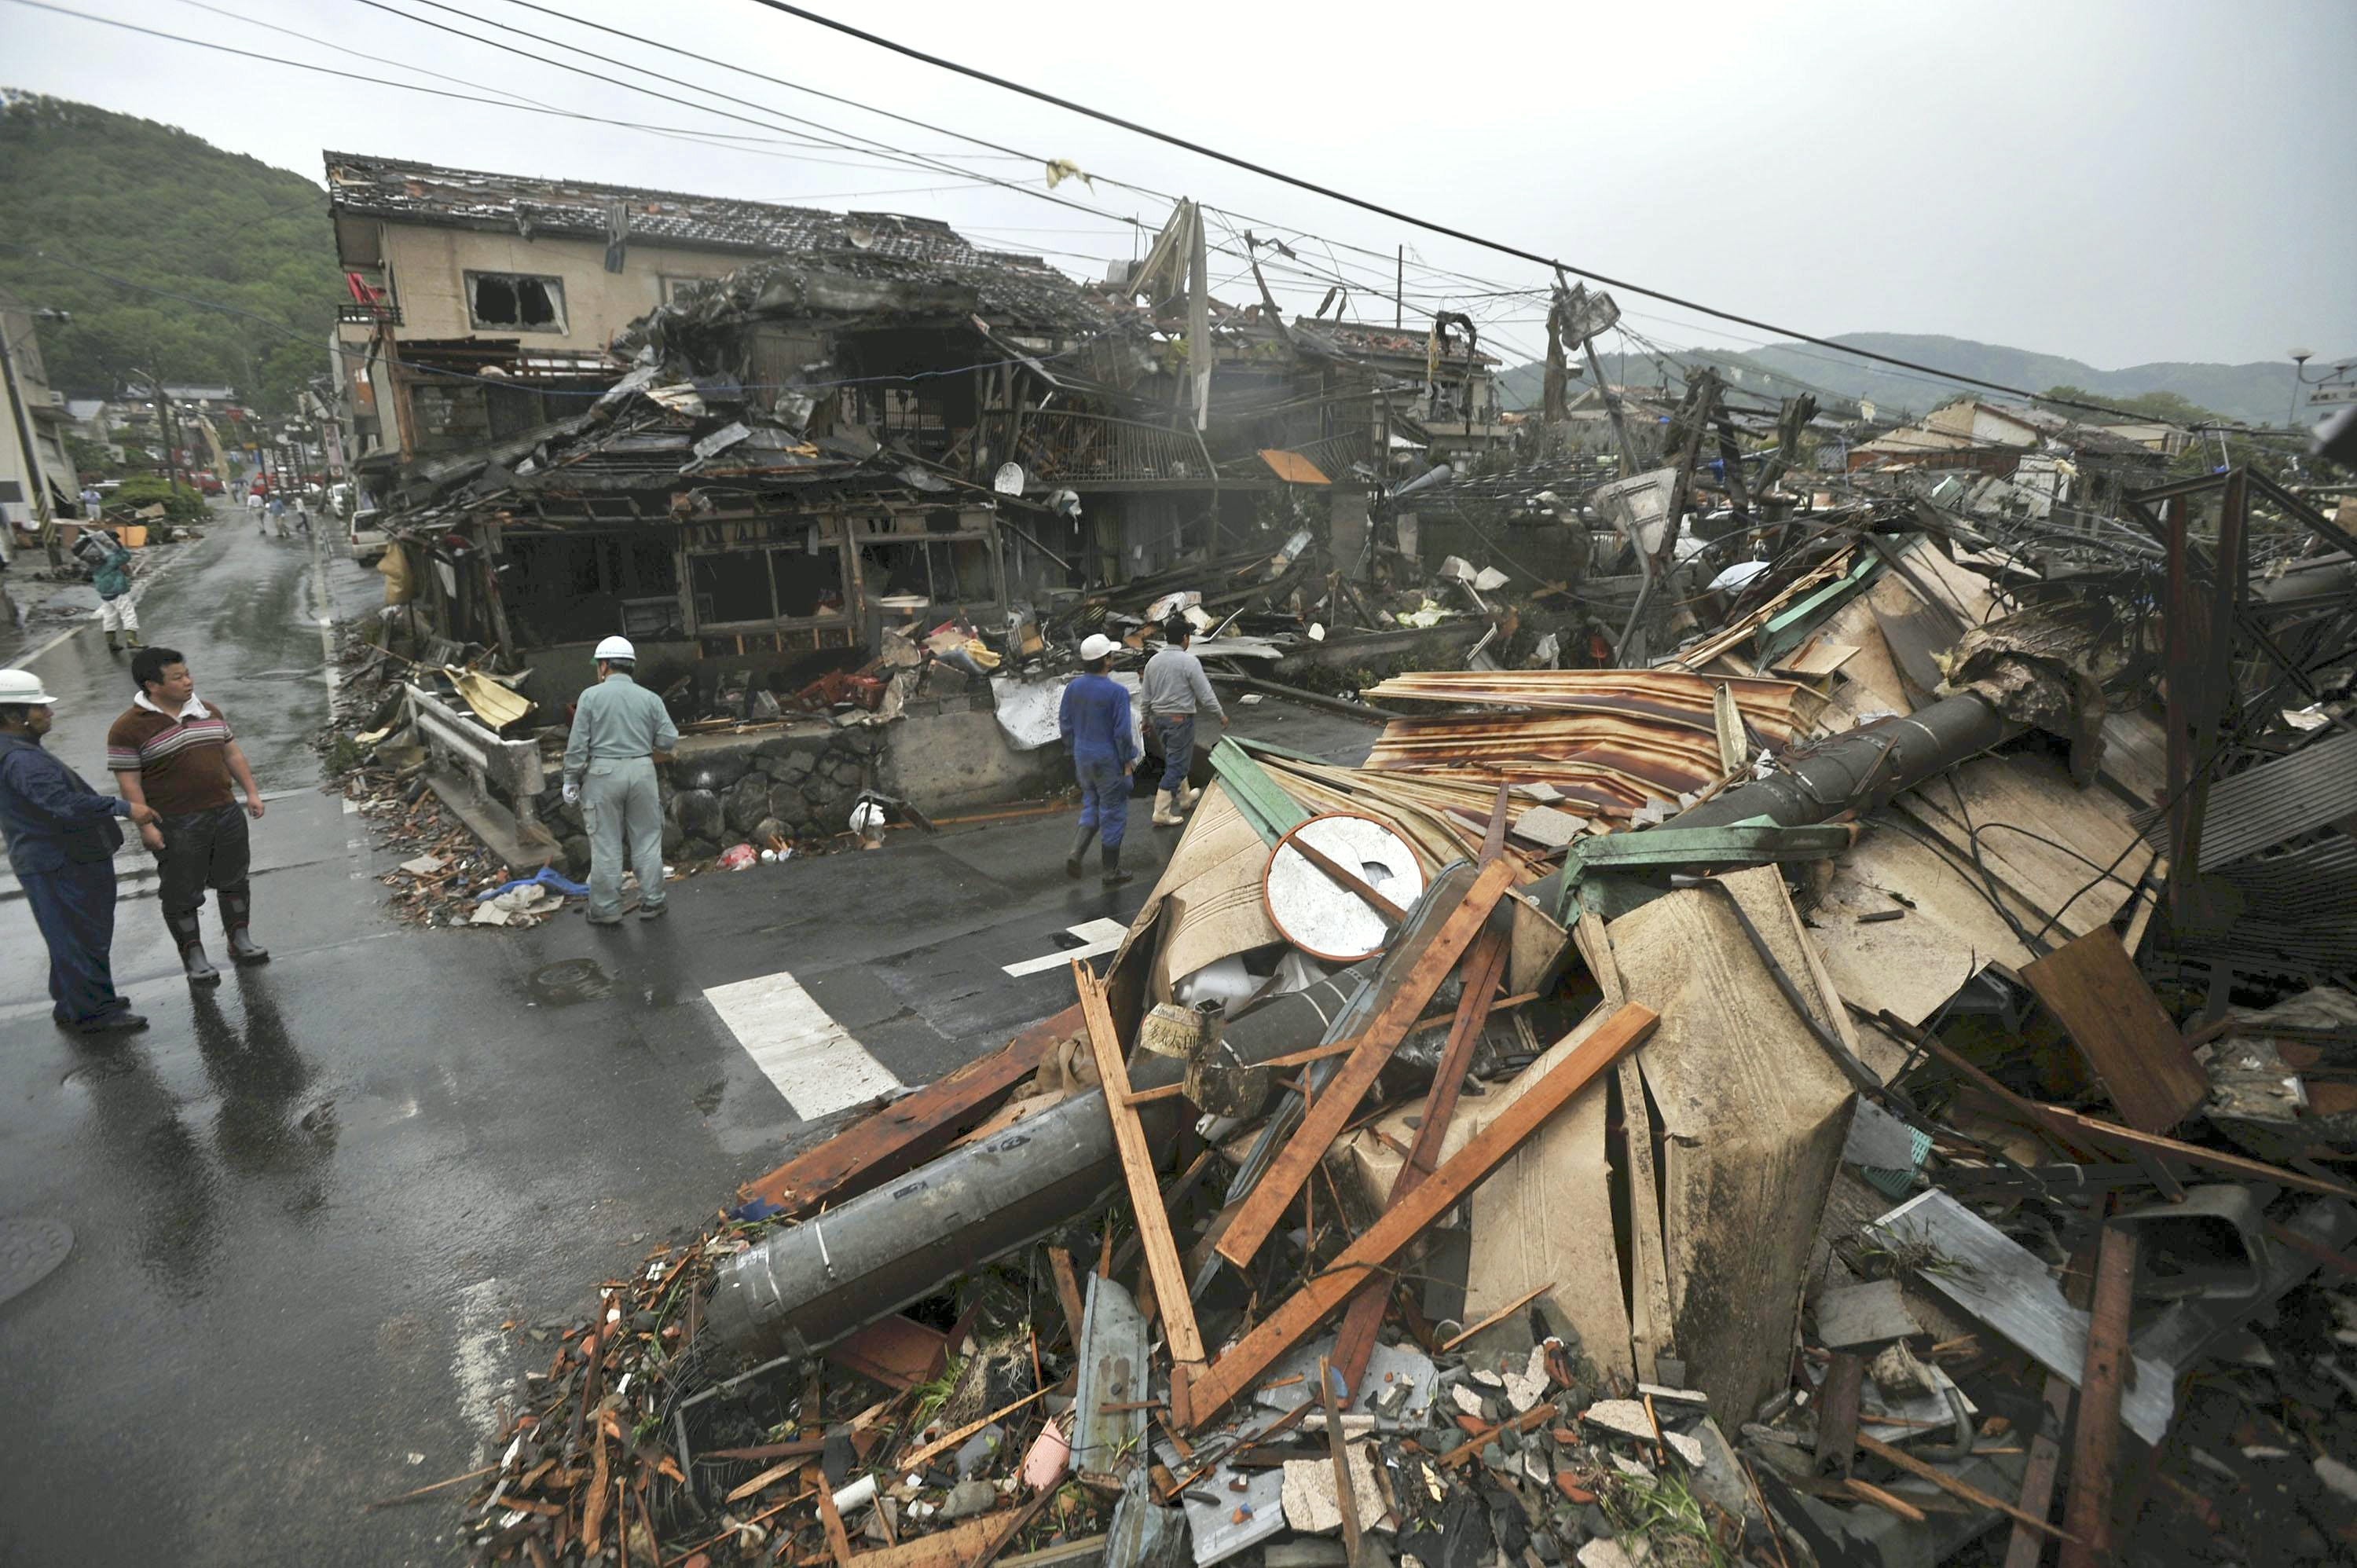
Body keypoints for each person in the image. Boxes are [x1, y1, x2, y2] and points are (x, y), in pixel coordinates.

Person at [0, 666, 159, 1034]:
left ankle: (75, 1001)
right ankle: (94, 1012)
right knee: (81, 936)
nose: (49, 713)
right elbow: (62, 804)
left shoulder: (19, 750)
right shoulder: (22, 759)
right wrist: (124, 808)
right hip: (62, 862)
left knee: (69, 934)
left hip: (54, 860)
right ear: (13, 715)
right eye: (39, 708)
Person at [107, 647, 269, 984]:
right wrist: (146, 826)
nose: (188, 681)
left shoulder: (207, 710)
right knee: (181, 891)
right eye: (178, 677)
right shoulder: (127, 729)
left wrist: (251, 792)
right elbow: (129, 783)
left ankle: (240, 939)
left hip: (224, 811)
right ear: (152, 685)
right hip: (176, 822)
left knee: (234, 878)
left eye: (187, 674)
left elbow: (232, 753)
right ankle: (194, 956)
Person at [563, 635, 679, 926]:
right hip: (642, 772)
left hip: (603, 774)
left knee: (606, 845)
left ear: (604, 666)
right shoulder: (650, 698)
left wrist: (571, 779)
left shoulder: (590, 696)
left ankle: (605, 909)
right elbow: (668, 740)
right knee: (648, 840)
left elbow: (577, 745)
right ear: (631, 666)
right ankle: (653, 902)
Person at [1058, 632, 1137, 888]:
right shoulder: (1117, 693)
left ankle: (1076, 853)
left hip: (1083, 756)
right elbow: (1123, 733)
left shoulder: (1073, 688)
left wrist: (1073, 749)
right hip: (1108, 759)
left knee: (1091, 802)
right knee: (1113, 811)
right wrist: (1128, 760)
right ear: (1107, 661)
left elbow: (1066, 724)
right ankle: (1110, 871)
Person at [1138, 618, 1224, 826]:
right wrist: (1220, 713)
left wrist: (1145, 719)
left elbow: (1146, 695)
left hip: (1160, 720)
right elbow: (1205, 693)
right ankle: (1161, 812)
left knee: (1175, 759)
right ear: (1185, 638)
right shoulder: (1189, 662)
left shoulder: (1153, 662)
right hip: (1180, 720)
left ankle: (1185, 798)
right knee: (1177, 765)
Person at [87, 529, 141, 654]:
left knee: (109, 616)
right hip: (116, 589)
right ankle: (132, 640)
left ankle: (111, 642)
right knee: (128, 613)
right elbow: (126, 557)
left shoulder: (94, 557)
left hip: (103, 591)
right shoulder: (110, 557)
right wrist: (119, 548)